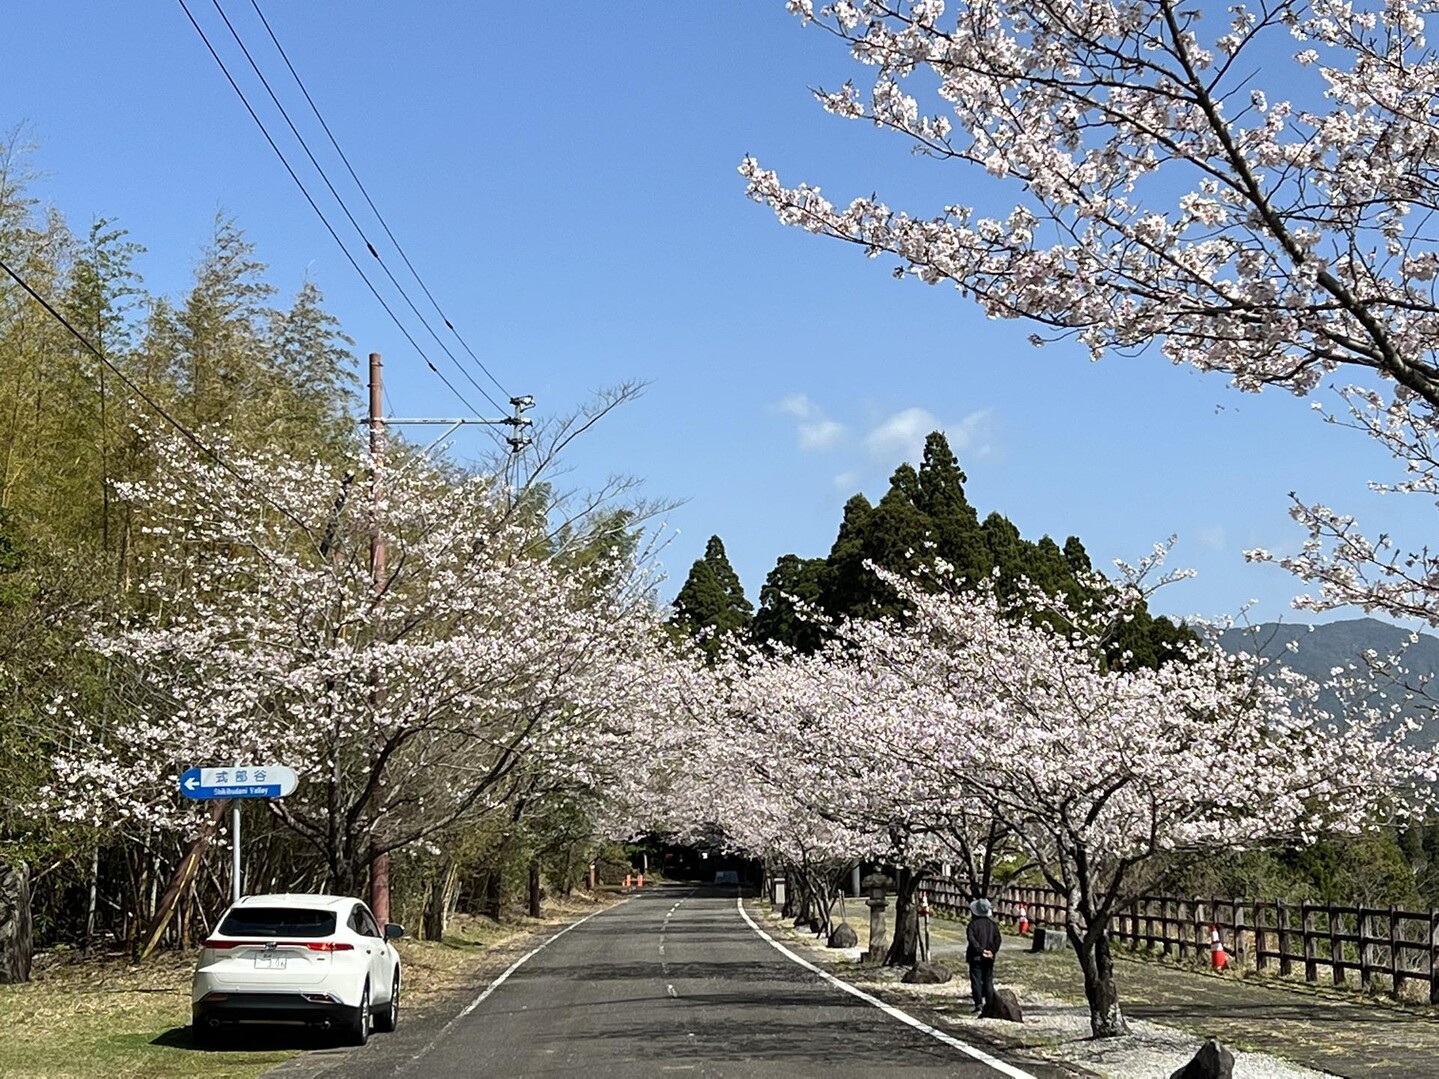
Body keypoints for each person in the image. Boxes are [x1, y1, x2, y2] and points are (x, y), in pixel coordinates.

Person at [966, 898, 1001, 1016]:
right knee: (988, 980)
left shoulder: (972, 925)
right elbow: (998, 939)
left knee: (976, 980)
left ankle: (979, 1004)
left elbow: (972, 940)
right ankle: (989, 1004)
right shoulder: (993, 925)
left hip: (975, 957)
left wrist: (981, 950)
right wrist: (992, 951)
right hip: (989, 958)